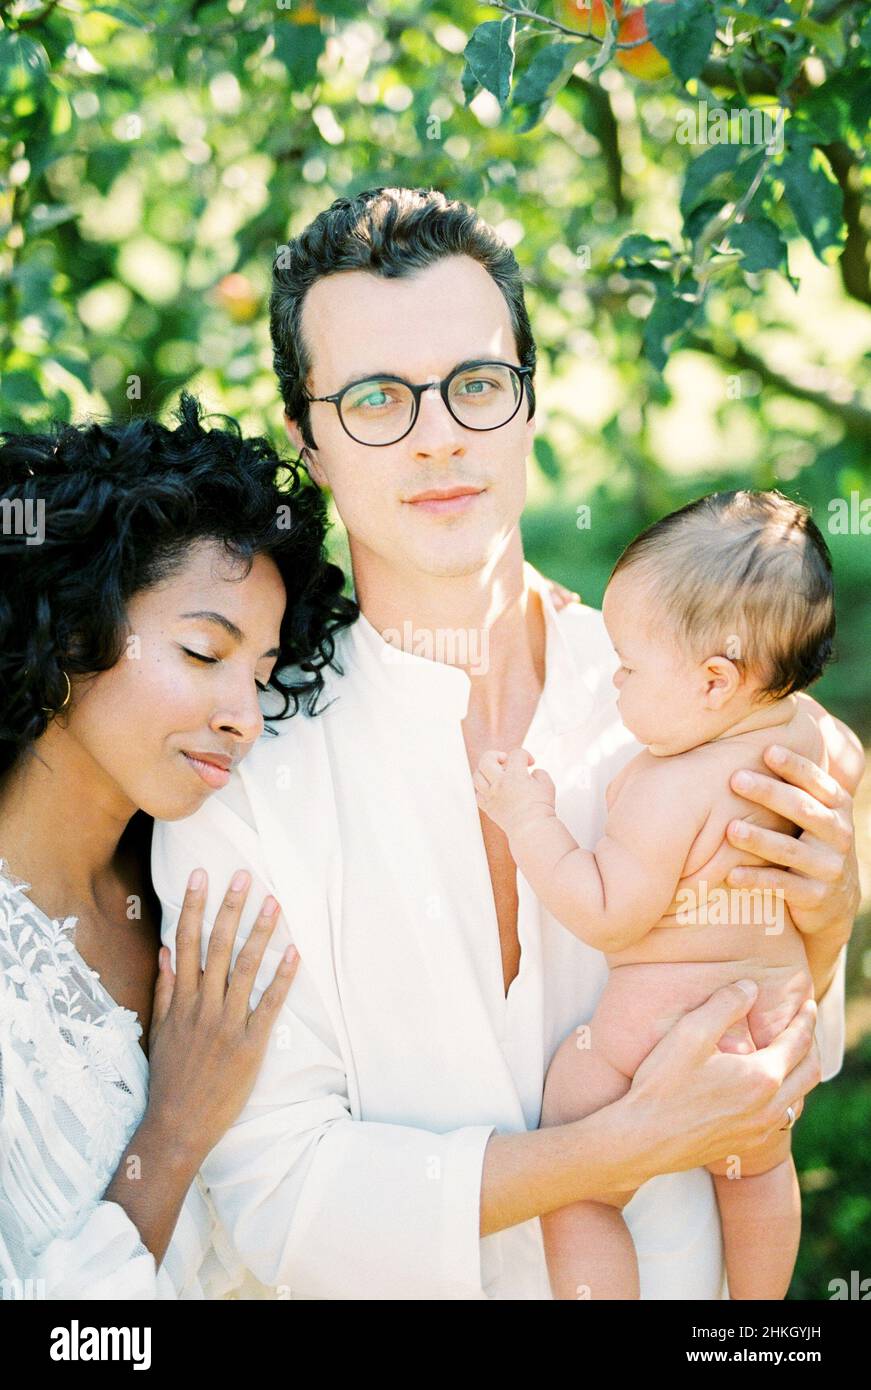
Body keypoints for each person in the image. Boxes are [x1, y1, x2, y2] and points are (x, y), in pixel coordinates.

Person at [152, 188, 864, 1300]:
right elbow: (275, 1198)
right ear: (309, 437)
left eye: (476, 384)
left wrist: (821, 940)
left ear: (528, 402)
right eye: (378, 397)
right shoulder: (242, 769)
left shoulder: (702, 711)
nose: (439, 435)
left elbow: (772, 1067)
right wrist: (607, 1150)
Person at [0, 393, 356, 1298]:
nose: (242, 716)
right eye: (204, 653)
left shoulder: (195, 882)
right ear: (75, 626)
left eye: (262, 674)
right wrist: (173, 1131)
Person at [474, 488, 863, 1299]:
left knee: (574, 1183)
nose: (613, 682)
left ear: (715, 681)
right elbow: (851, 767)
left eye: (628, 666)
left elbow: (606, 914)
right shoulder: (813, 737)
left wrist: (529, 819)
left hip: (650, 1028)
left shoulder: (664, 786)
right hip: (767, 1023)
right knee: (756, 1174)